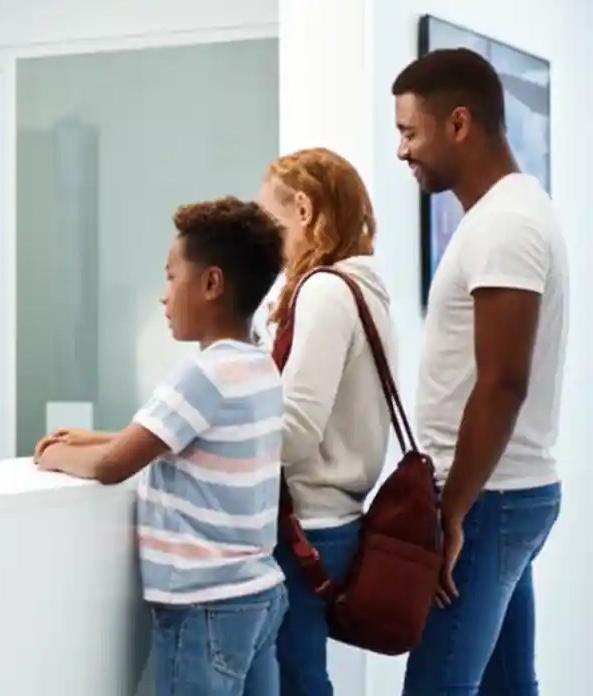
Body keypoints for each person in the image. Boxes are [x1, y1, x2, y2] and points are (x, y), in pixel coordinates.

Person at [35, 197, 287, 696]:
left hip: (204, 605)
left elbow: (113, 466)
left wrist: (54, 455)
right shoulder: (258, 366)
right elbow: (182, 439)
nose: (163, 297)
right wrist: (95, 436)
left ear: (212, 284)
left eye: (172, 278)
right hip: (258, 595)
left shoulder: (203, 374)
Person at [392, 49, 568, 694]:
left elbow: (503, 381)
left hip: (487, 500)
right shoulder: (508, 212)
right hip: (501, 494)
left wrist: (454, 509)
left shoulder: (506, 224)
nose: (404, 151)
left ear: (458, 123)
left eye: (410, 132)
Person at [257, 148, 397, 695]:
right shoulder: (362, 289)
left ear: (305, 211)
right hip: (336, 521)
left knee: (298, 682)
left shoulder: (324, 293)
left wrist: (215, 438)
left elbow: (293, 431)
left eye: (273, 221)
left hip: (305, 526)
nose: (267, 240)